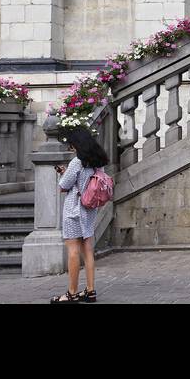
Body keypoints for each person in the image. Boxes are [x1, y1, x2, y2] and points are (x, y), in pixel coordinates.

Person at [50, 127, 108, 303]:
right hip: (89, 209)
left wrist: (63, 173)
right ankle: (90, 291)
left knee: (73, 251)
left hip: (74, 210)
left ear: (76, 144)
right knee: (88, 251)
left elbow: (63, 186)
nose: (71, 148)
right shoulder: (98, 161)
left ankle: (72, 293)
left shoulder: (77, 162)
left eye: (71, 145)